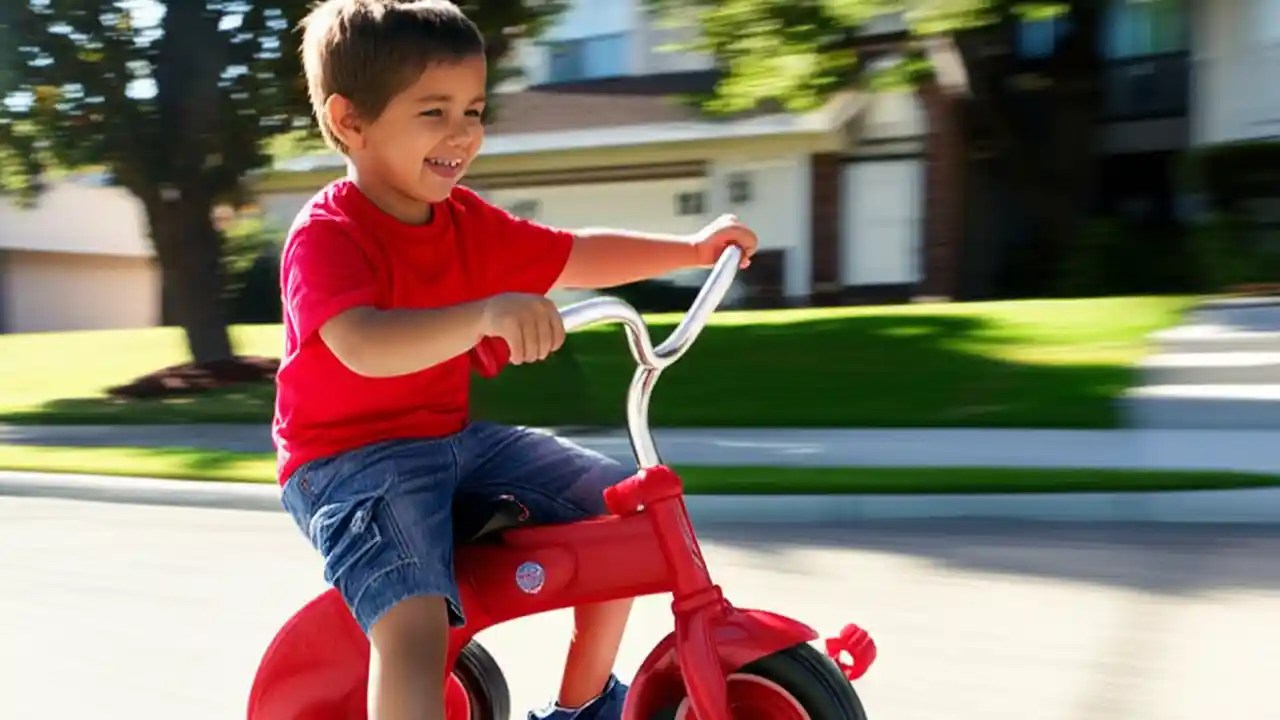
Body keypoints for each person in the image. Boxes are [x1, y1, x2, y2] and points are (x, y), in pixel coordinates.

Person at [274, 1, 759, 719]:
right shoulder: (329, 234)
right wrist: (483, 315)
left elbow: (575, 253)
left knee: (621, 516)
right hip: (346, 463)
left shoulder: (466, 221)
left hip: (450, 441)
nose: (463, 133)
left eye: (473, 109)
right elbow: (362, 344)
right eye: (433, 112)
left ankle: (586, 703)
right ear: (351, 122)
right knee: (412, 625)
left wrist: (690, 250)